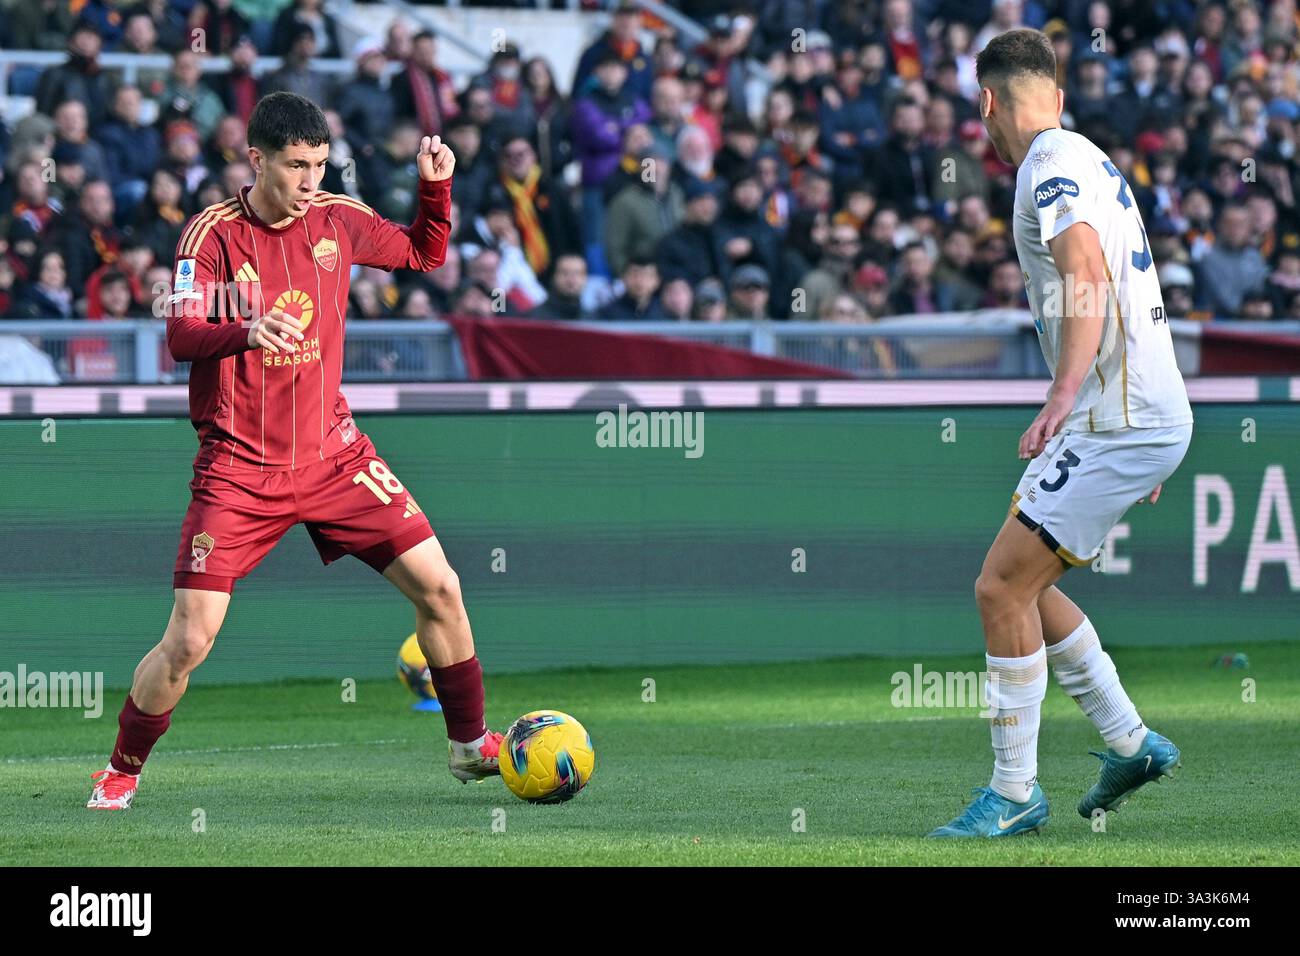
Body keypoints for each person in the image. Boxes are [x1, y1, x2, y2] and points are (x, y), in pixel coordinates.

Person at [86, 92, 503, 811]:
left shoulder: (337, 219)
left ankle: (469, 747)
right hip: (239, 469)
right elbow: (181, 335)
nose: (309, 182)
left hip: (335, 455)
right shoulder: (211, 236)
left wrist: (436, 186)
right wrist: (244, 329)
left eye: (318, 164)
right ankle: (122, 768)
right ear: (256, 159)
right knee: (188, 642)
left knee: (442, 588)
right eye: (294, 166)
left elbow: (424, 252)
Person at [928, 30, 1194, 839]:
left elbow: (1086, 276)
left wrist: (1067, 395)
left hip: (1116, 415)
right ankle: (1129, 740)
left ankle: (1014, 793)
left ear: (985, 102)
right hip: (1131, 416)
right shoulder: (1087, 155)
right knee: (1026, 586)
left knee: (999, 588)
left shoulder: (1047, 165)